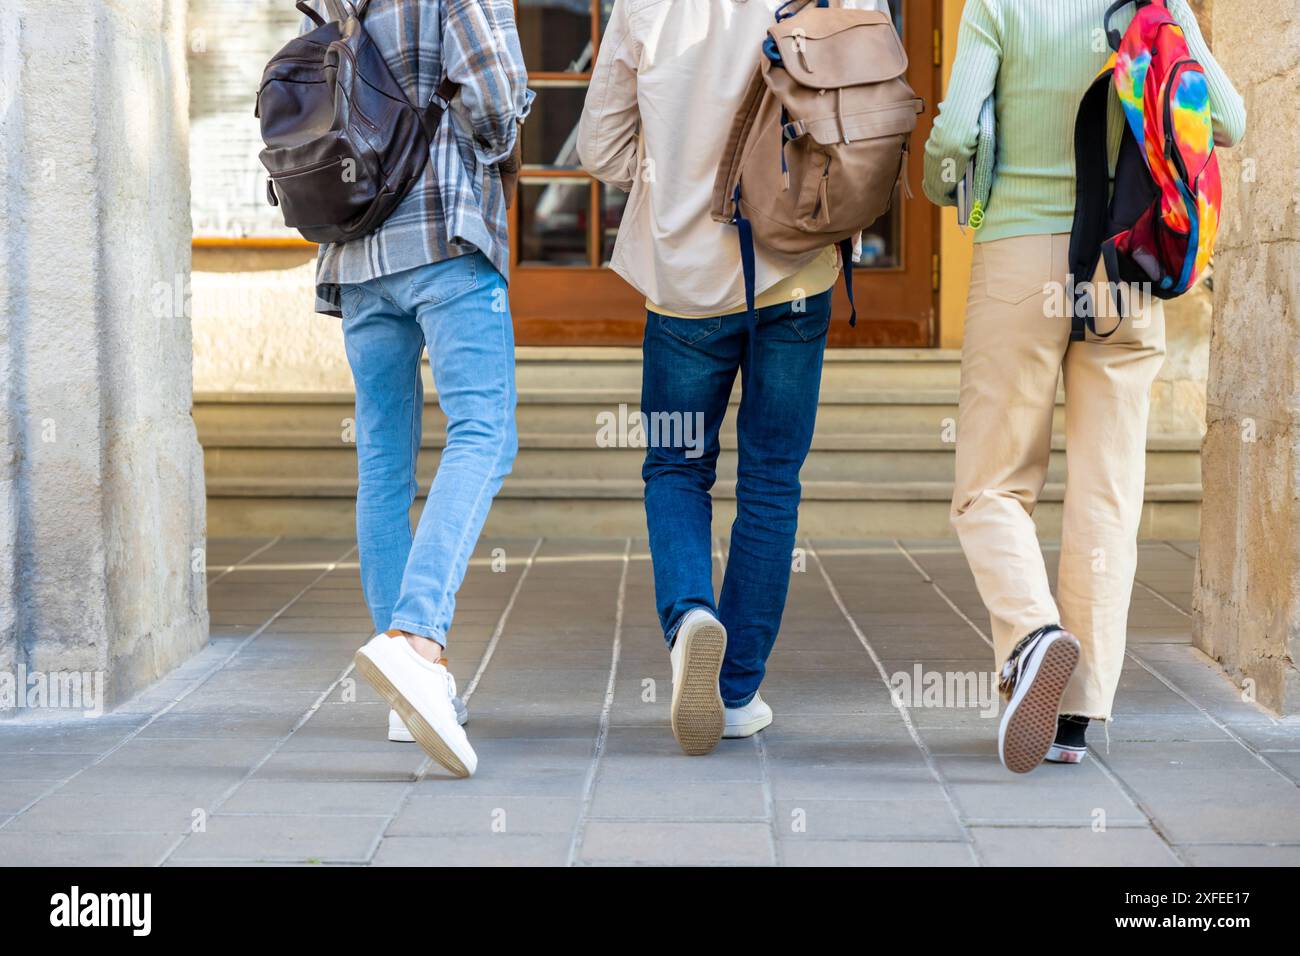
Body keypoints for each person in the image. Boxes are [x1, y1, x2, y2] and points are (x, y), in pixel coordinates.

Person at [922, 0, 1244, 773]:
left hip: (1019, 262)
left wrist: (943, 178)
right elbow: (1225, 120)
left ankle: (1034, 637)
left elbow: (955, 137)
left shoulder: (997, 7)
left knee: (991, 485)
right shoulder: (1152, 5)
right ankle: (1075, 716)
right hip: (1124, 266)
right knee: (1107, 492)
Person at [578, 0, 889, 756]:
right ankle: (739, 689)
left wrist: (666, 191)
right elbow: (869, 107)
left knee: (677, 468)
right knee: (772, 480)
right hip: (797, 271)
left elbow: (597, 147)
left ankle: (690, 619)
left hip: (684, 289)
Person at [305, 0, 532, 778]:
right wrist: (501, 148)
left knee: (383, 464)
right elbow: (494, 94)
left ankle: (411, 694)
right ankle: (417, 643)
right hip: (443, 231)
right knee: (484, 432)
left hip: (354, 248)